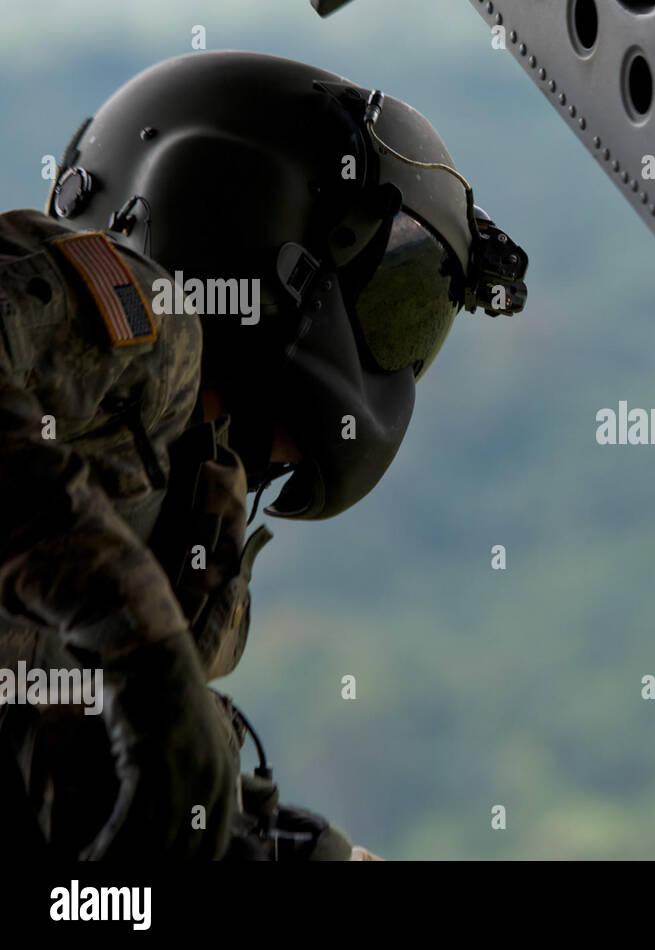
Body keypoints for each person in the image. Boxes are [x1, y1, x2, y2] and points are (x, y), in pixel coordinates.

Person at [0, 50, 528, 859]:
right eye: (395, 307)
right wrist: (140, 649)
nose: (395, 362)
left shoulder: (152, 504)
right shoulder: (145, 332)